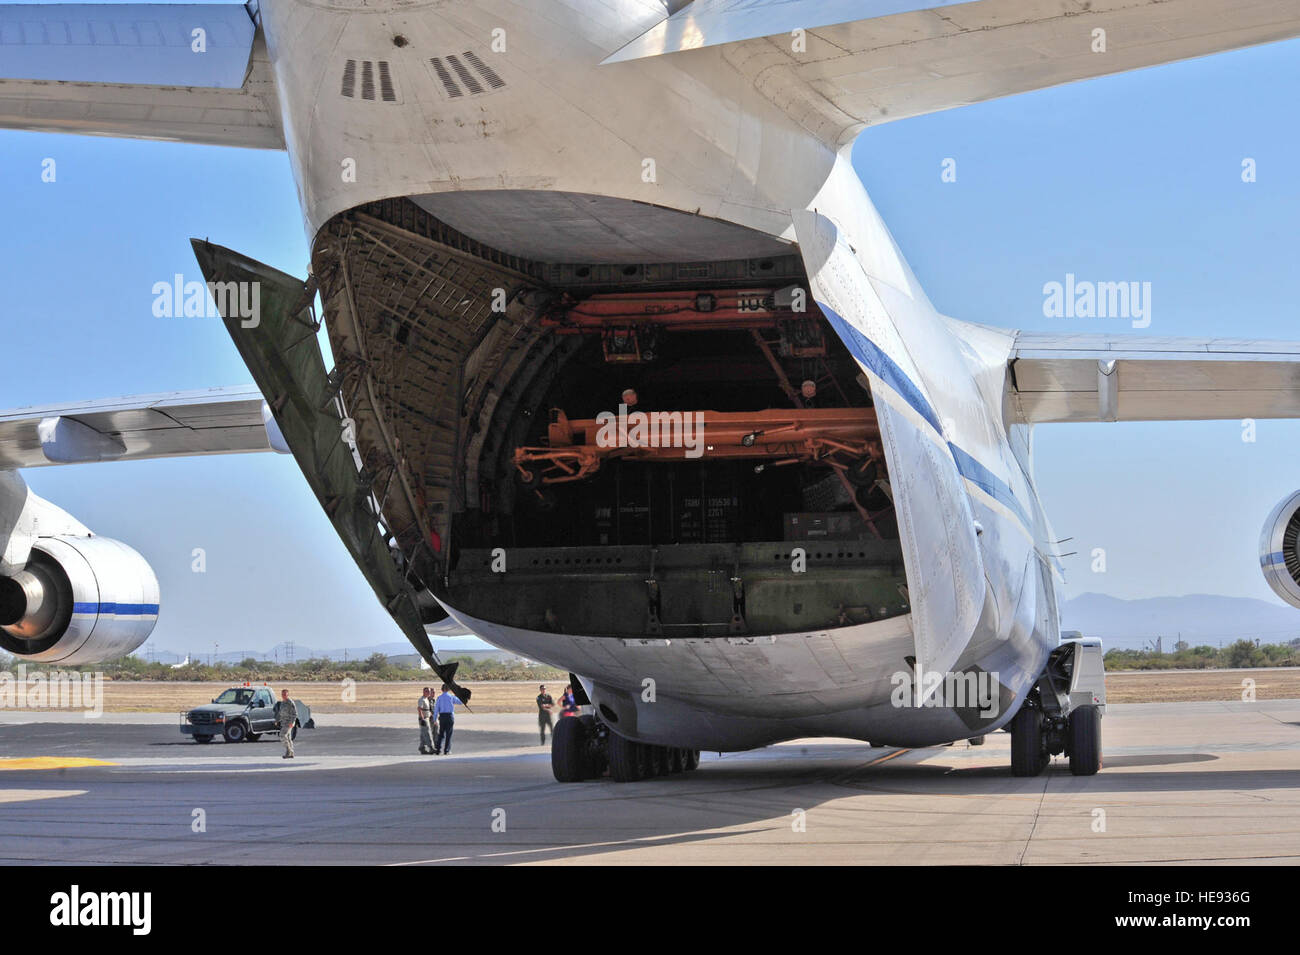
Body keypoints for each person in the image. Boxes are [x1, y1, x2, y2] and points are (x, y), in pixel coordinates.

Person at [433, 684, 460, 755]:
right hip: (449, 716)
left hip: (442, 716)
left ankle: (438, 750)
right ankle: (447, 750)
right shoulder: (451, 697)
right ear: (449, 689)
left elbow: (436, 709)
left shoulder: (439, 698)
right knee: (449, 734)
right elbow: (460, 702)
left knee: (441, 734)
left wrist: (434, 719)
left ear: (442, 689)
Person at [274, 689, 298, 759]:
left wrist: (292, 722)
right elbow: (280, 713)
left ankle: (288, 751)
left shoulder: (290, 702)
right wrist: (277, 720)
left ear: (288, 695)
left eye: (285, 694)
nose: (283, 696)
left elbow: (295, 714)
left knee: (282, 735)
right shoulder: (282, 703)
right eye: (282, 694)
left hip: (289, 723)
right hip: (283, 722)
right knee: (288, 738)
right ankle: (291, 753)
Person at [417, 686, 435, 755]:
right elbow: (419, 709)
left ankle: (422, 747)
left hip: (427, 717)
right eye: (427, 691)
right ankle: (431, 747)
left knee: (423, 734)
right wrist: (422, 719)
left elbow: (427, 709)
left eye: (429, 691)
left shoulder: (427, 699)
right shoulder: (422, 699)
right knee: (428, 733)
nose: (429, 692)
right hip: (424, 718)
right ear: (424, 692)